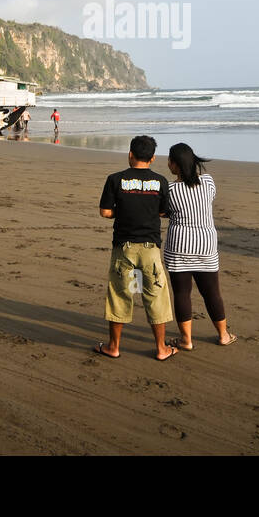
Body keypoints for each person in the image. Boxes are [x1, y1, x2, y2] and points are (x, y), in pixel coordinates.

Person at [96, 135, 176, 361]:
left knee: (120, 295)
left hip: (124, 247)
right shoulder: (160, 181)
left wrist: (124, 211)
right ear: (152, 158)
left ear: (130, 154)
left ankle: (114, 346)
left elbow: (105, 212)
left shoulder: (115, 179)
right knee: (155, 296)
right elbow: (163, 212)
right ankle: (161, 348)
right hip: (150, 248)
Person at [163, 143, 235, 350]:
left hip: (179, 245)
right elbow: (208, 200)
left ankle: (186, 340)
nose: (168, 164)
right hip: (205, 244)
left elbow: (165, 212)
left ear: (175, 164)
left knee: (182, 293)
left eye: (170, 160)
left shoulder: (170, 189)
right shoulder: (208, 182)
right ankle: (223, 335)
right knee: (212, 292)